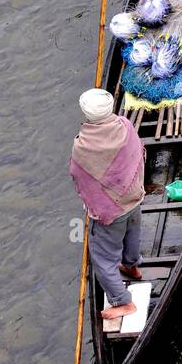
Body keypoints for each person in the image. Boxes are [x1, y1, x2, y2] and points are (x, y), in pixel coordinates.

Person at [70, 89, 146, 320]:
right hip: (134, 198)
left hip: (110, 211)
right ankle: (132, 266)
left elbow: (77, 175)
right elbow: (137, 154)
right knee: (132, 235)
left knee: (102, 258)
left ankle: (122, 302)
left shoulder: (82, 146)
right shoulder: (125, 125)